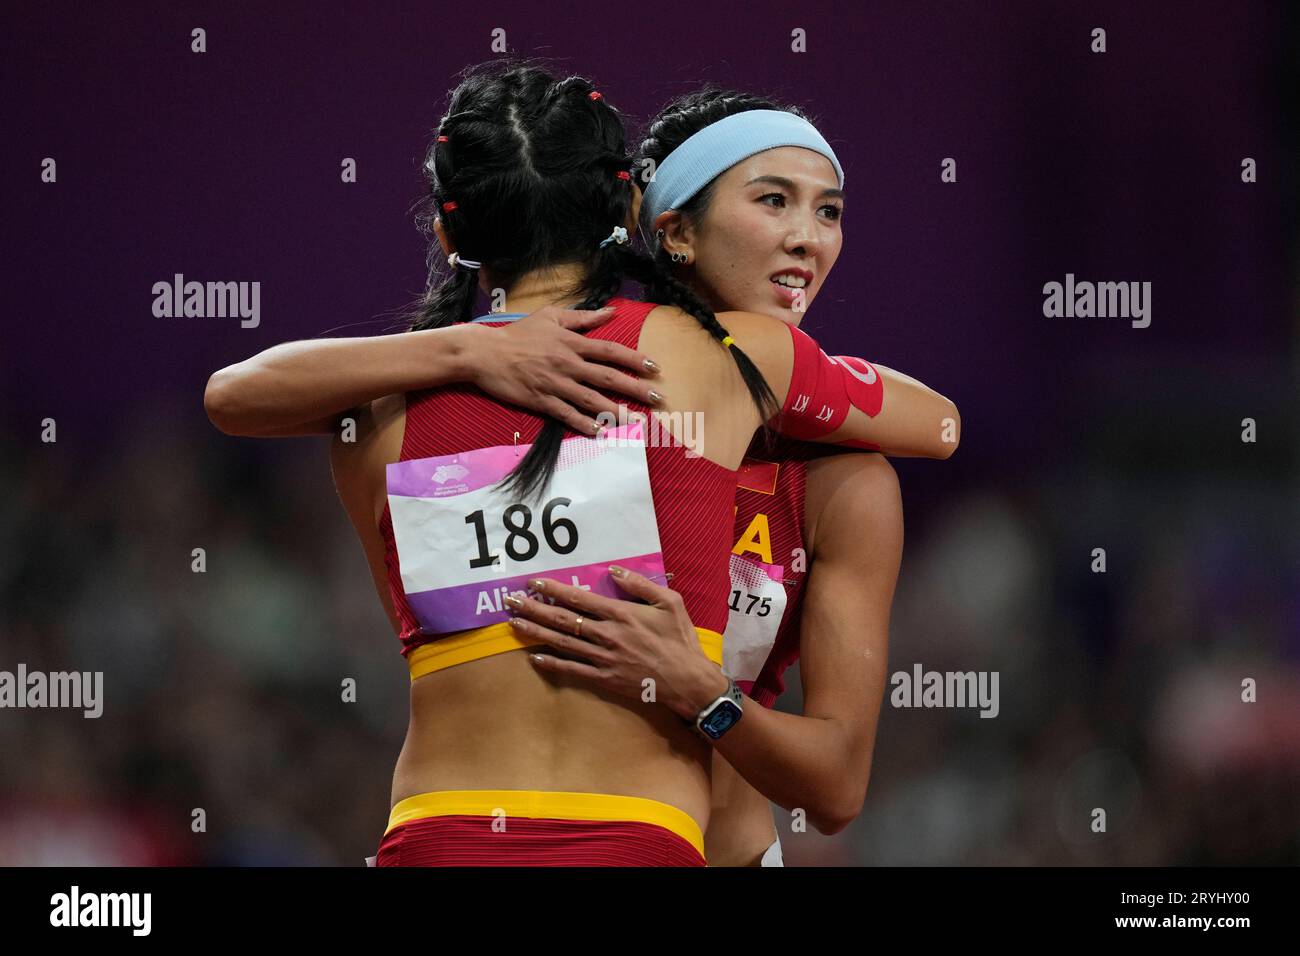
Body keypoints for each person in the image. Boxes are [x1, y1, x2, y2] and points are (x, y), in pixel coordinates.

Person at [205, 65, 958, 865]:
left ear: (447, 236)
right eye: (773, 200)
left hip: (435, 836)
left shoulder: (373, 421)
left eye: (825, 211)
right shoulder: (734, 361)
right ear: (632, 212)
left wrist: (466, 345)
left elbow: (233, 396)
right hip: (636, 840)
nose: (806, 235)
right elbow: (940, 424)